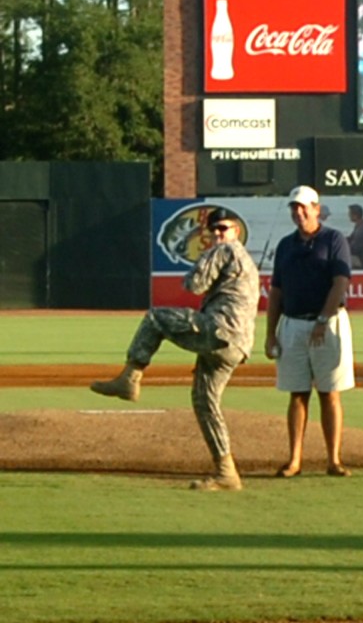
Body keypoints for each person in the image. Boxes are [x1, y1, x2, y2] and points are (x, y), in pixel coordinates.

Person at [90, 206, 260, 491]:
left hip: (220, 332)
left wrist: (205, 253)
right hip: (237, 344)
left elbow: (194, 284)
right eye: (215, 229)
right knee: (205, 402)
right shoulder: (247, 260)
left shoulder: (226, 250)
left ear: (236, 232)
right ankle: (226, 472)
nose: (219, 233)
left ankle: (129, 378)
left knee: (155, 317)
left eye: (224, 228)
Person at [265, 185, 355, 478]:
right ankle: (294, 460)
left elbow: (339, 283)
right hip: (292, 323)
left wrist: (322, 319)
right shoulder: (285, 245)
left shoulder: (334, 239)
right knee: (297, 393)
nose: (299, 212)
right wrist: (270, 332)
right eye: (294, 207)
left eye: (304, 207)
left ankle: (334, 460)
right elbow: (276, 291)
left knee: (329, 393)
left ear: (317, 208)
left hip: (327, 324)